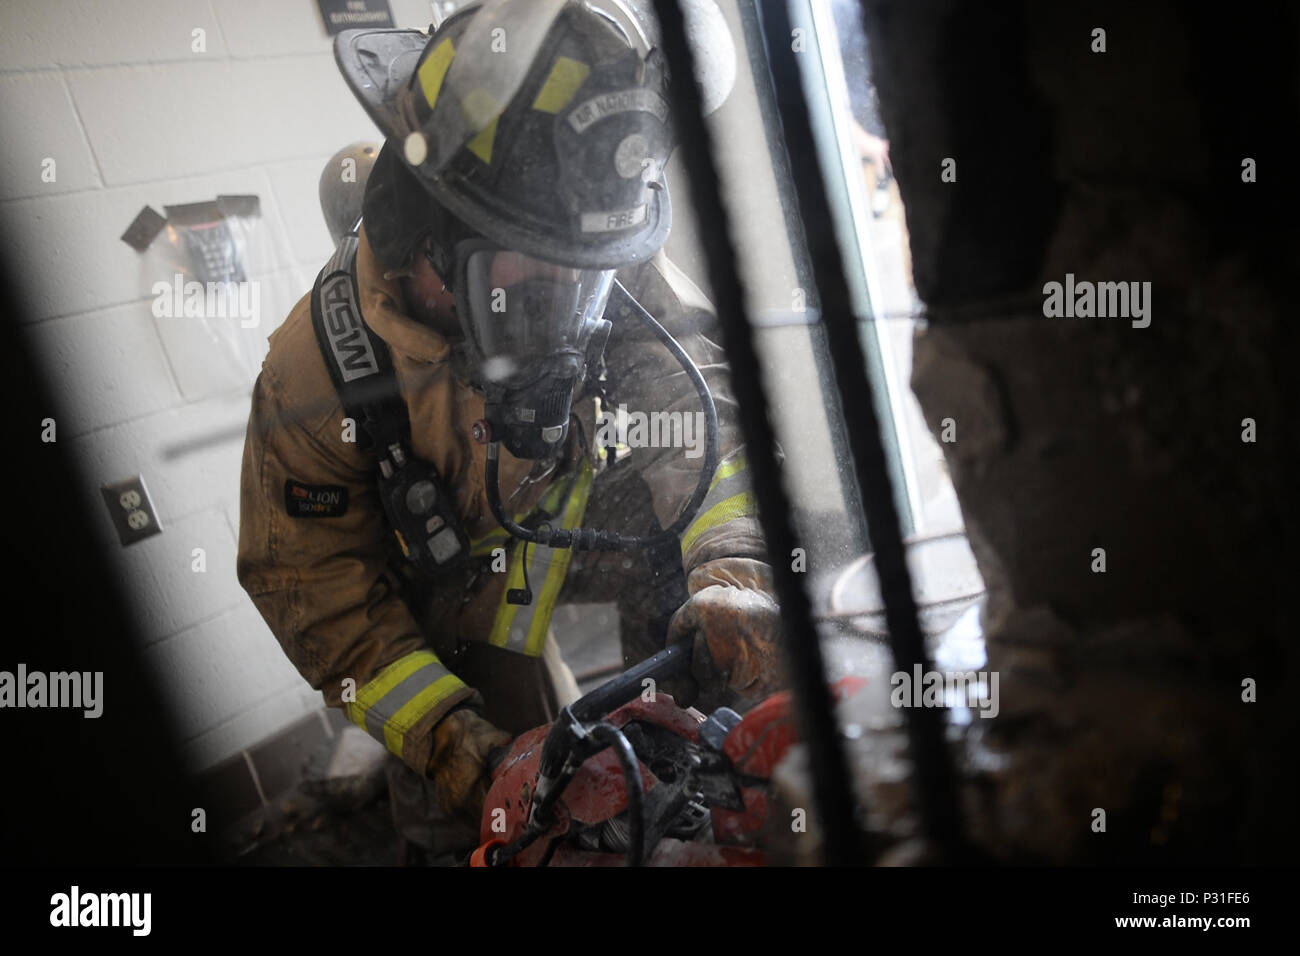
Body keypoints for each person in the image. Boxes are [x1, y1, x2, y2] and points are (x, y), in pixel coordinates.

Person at [237, 0, 783, 860]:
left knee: (706, 687)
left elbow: (691, 417)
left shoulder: (579, 232)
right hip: (450, 599)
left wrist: (730, 572)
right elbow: (316, 593)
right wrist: (460, 747)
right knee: (498, 824)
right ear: (433, 240)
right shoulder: (313, 375)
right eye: (540, 283)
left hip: (579, 519)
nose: (574, 303)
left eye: (589, 278)